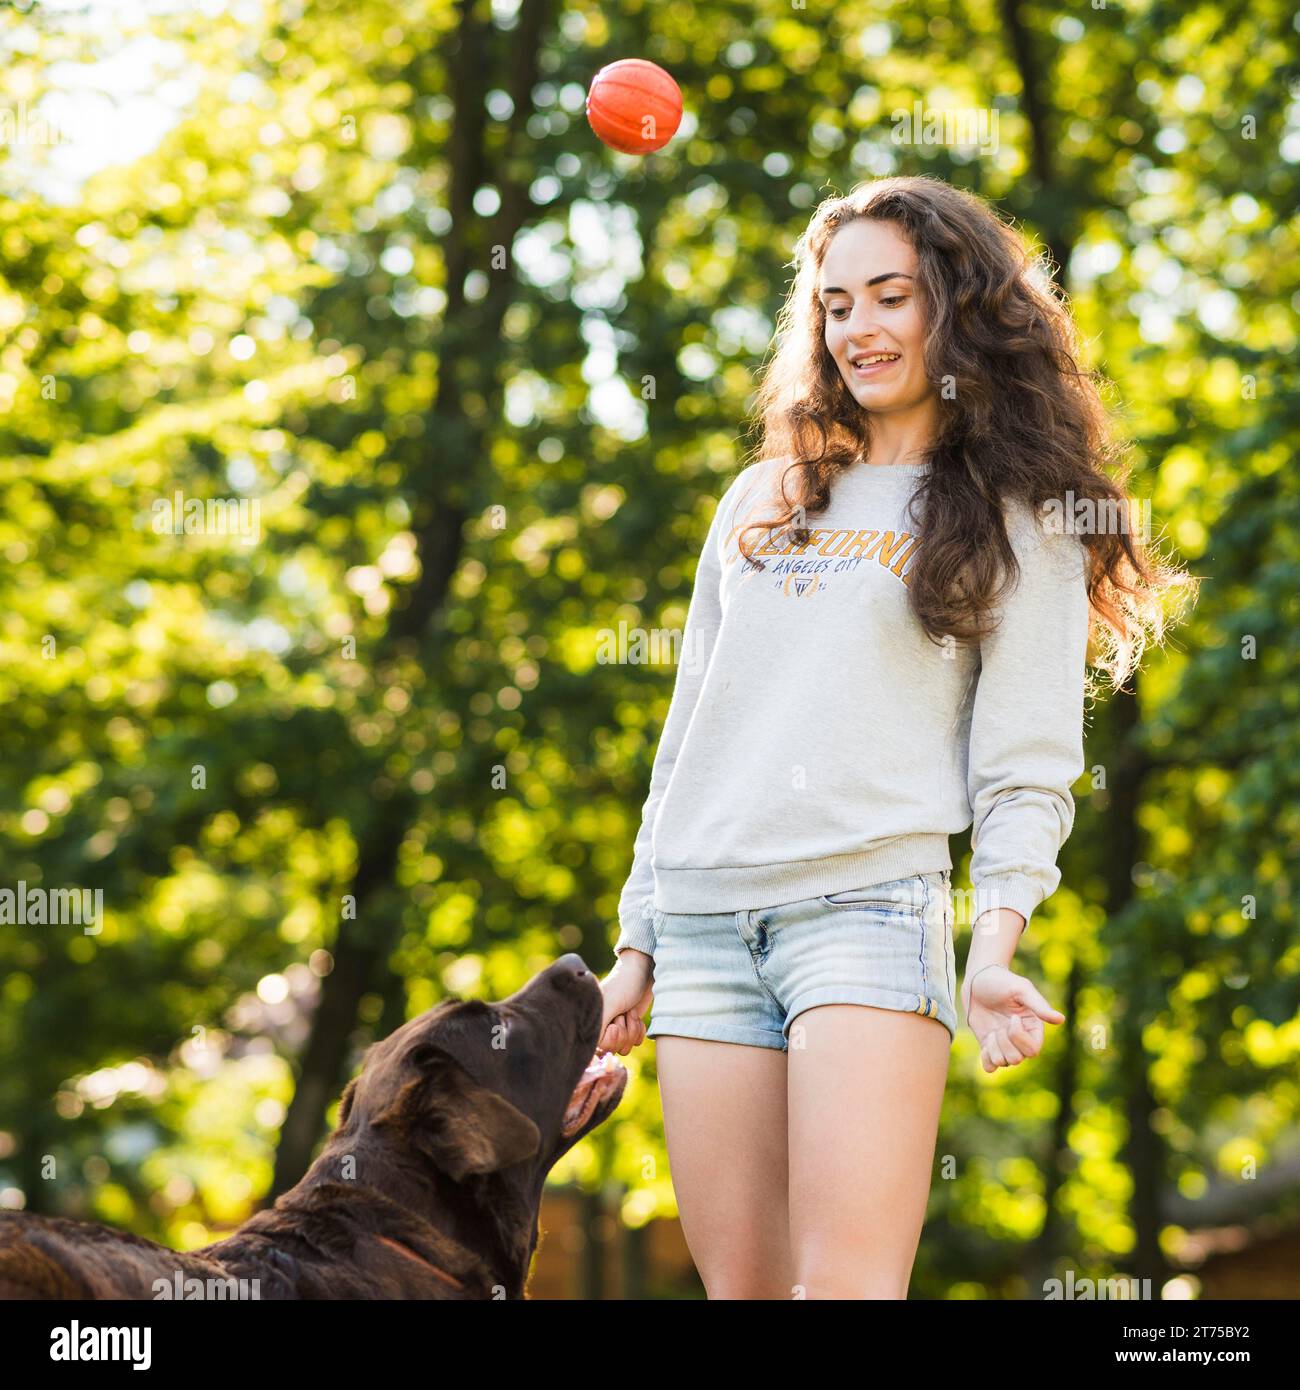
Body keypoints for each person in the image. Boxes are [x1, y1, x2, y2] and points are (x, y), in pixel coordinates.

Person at [597, 174, 1191, 1300]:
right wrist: (639, 943)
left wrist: (994, 947)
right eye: (835, 304)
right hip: (705, 923)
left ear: (955, 308)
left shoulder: (1019, 516)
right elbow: (688, 743)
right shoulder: (759, 501)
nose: (857, 328)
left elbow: (1025, 769)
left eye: (890, 296)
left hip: (865, 916)